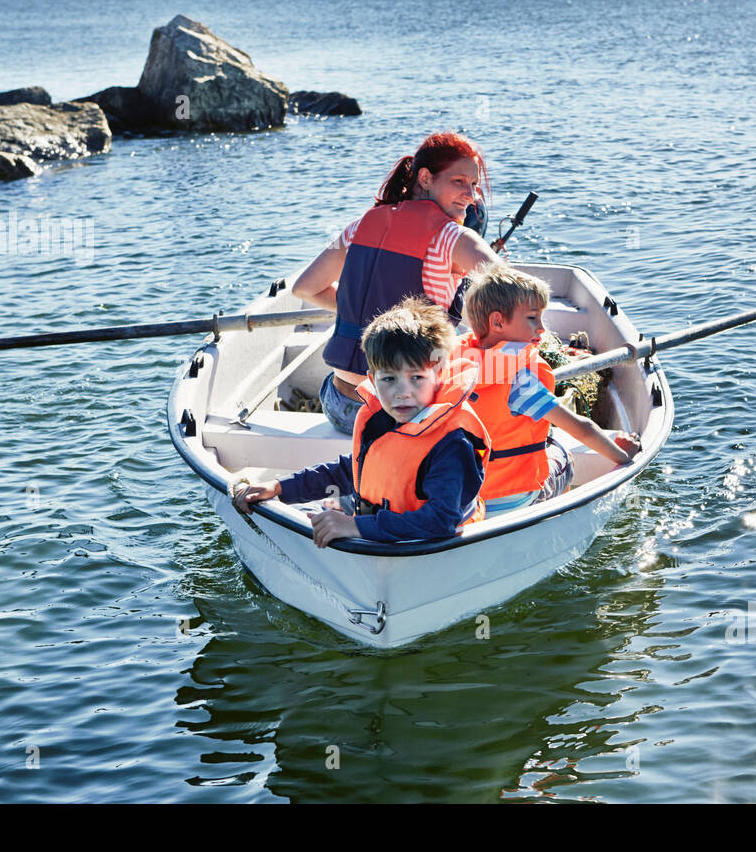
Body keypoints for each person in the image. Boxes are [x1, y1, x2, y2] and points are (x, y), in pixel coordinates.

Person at [231, 296, 491, 547]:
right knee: (306, 510)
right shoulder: (383, 418)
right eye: (389, 379)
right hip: (379, 529)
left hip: (424, 546)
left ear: (438, 375)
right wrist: (279, 487)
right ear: (372, 379)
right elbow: (352, 470)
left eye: (417, 378)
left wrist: (354, 527)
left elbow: (441, 521)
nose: (403, 392)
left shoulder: (453, 444)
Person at [292, 132, 503, 435]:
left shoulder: (361, 224)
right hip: (400, 413)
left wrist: (359, 307)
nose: (471, 195)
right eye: (459, 182)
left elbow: (304, 289)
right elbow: (515, 291)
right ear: (426, 178)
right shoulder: (452, 237)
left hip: (337, 403)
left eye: (473, 185)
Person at [454, 263, 641, 515]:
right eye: (532, 318)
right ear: (497, 321)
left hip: (463, 498)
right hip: (513, 500)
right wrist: (623, 455)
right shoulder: (521, 383)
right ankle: (555, 511)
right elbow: (583, 430)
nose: (542, 328)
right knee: (562, 454)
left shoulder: (453, 367)